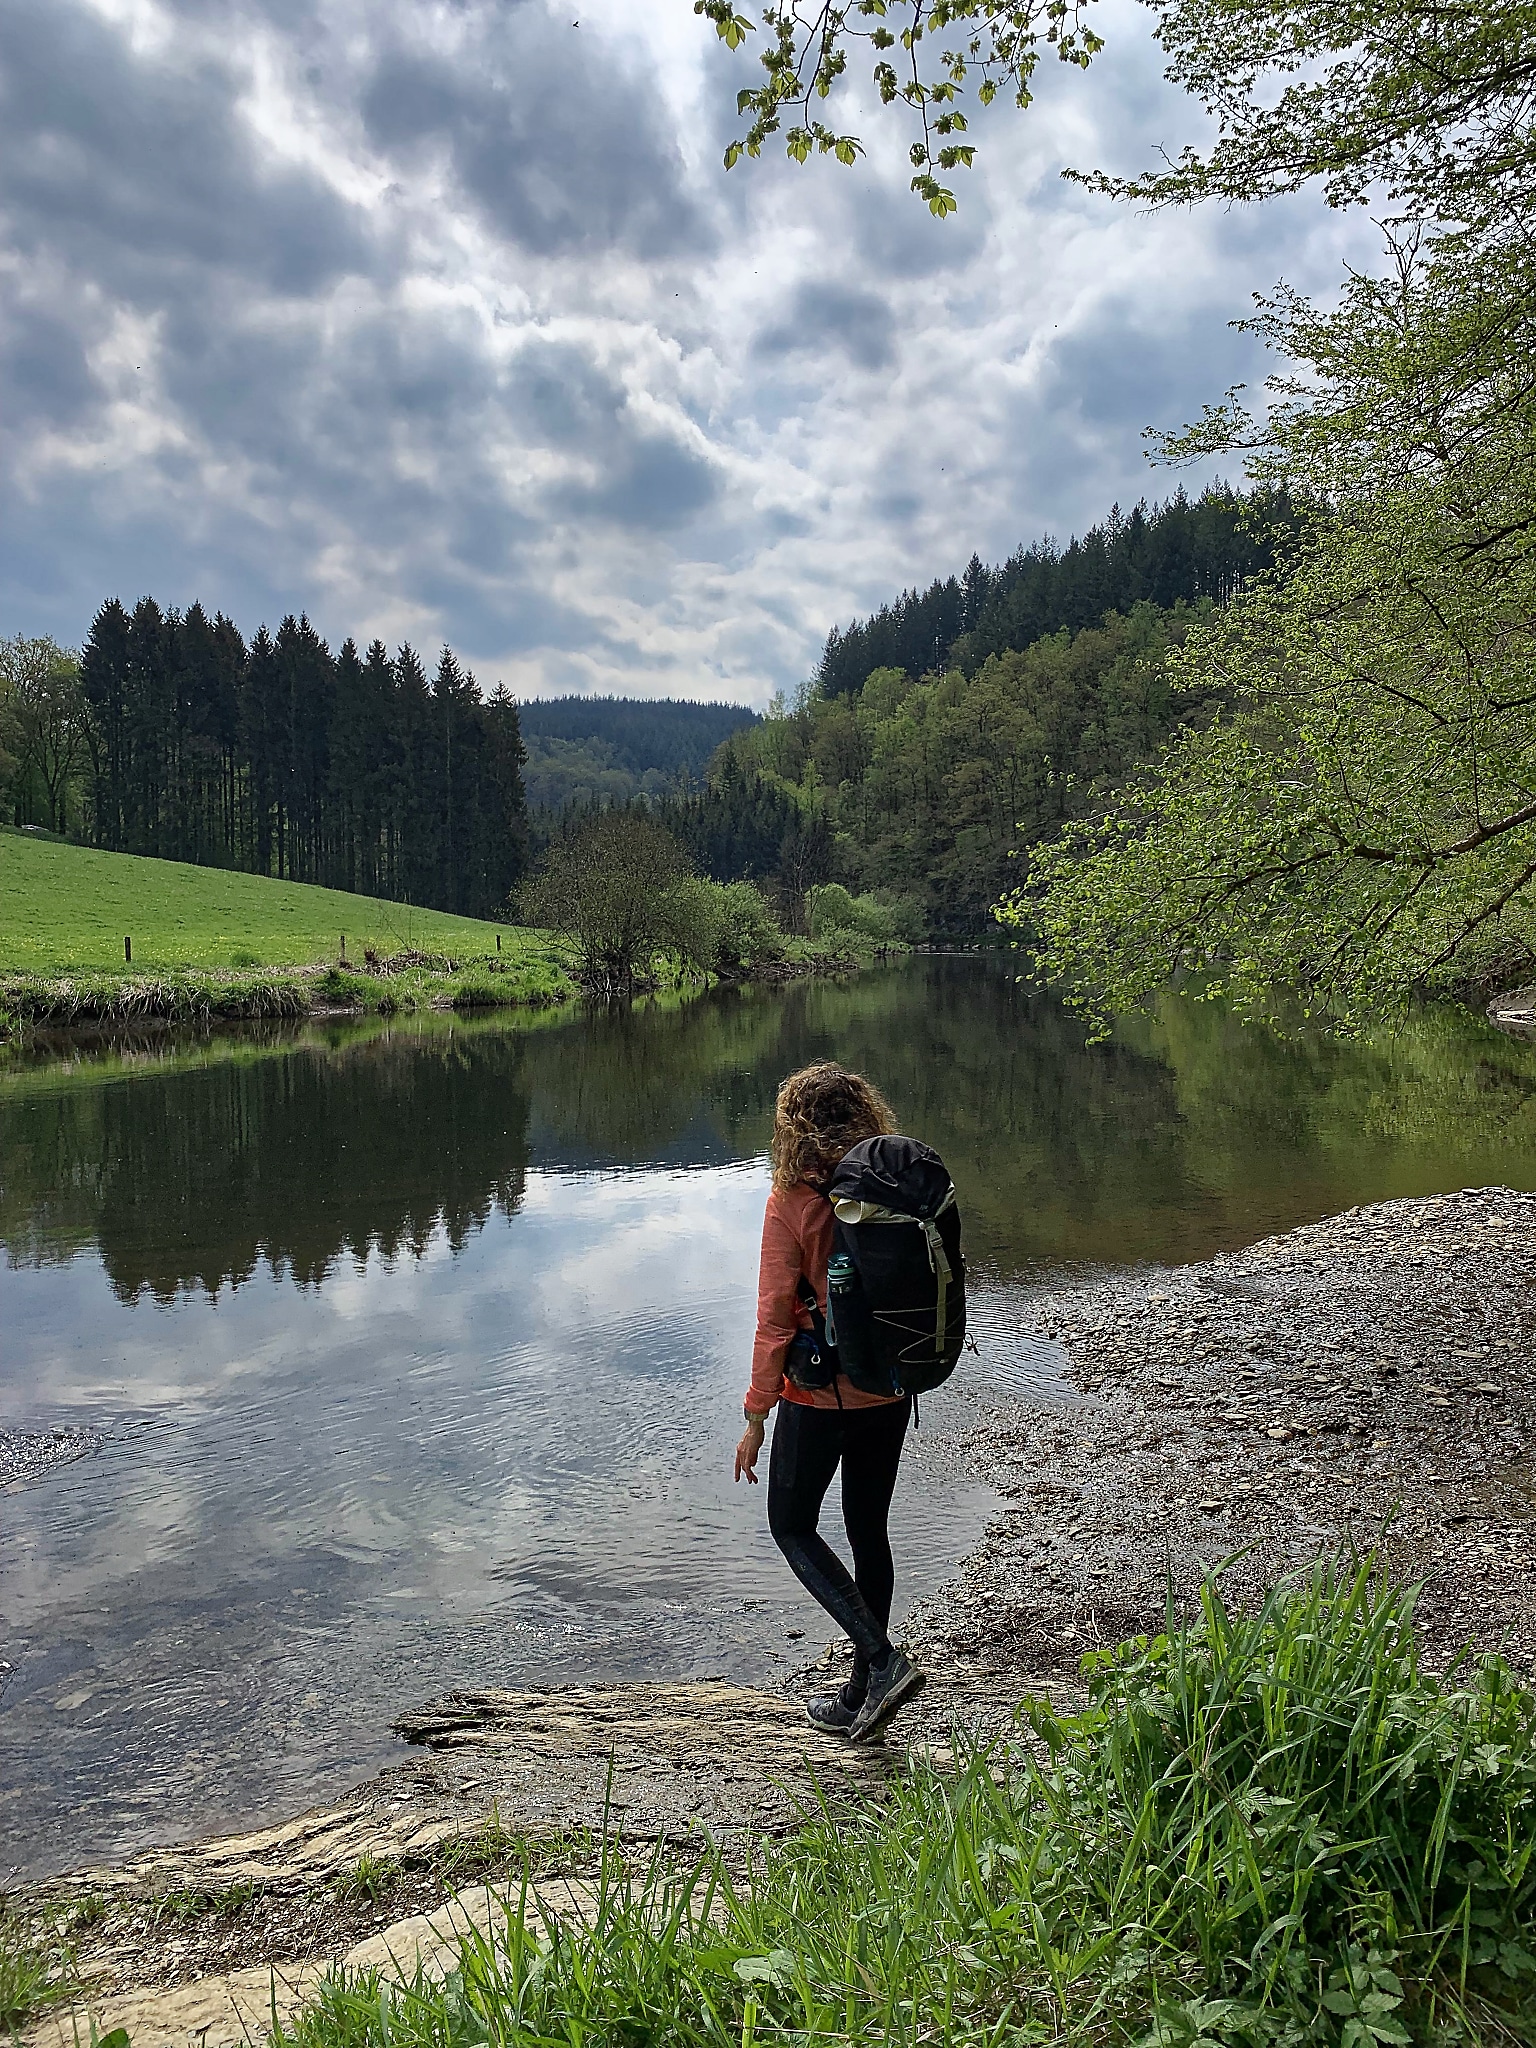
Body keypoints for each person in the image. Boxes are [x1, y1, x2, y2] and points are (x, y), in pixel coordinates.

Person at [733, 1061, 926, 1741]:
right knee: (868, 1528)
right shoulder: (893, 1185)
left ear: (791, 1129)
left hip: (819, 1396)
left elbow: (775, 1319)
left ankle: (878, 1662)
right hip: (891, 1384)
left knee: (791, 1523)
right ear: (865, 1113)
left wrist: (756, 1415)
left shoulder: (791, 1200)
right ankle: (861, 1694)